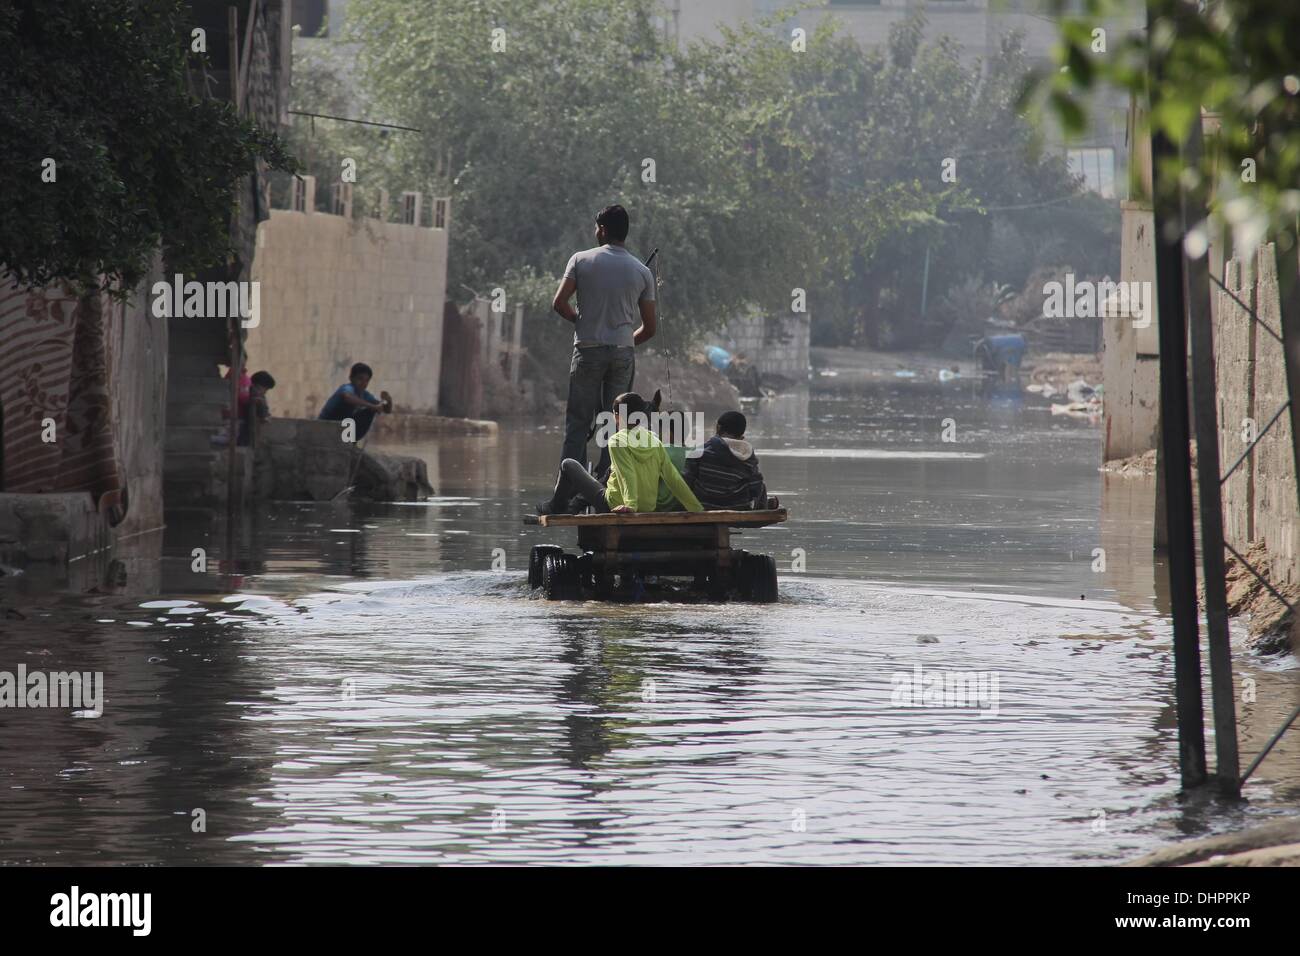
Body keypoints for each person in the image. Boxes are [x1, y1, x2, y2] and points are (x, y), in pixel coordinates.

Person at [541, 204, 656, 511]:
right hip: (622, 354)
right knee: (614, 426)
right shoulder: (642, 272)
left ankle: (565, 497)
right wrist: (624, 340)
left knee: (578, 424)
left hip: (588, 350)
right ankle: (606, 492)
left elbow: (559, 303)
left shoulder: (580, 260)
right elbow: (650, 328)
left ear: (602, 229)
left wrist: (581, 320)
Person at [543, 392, 702, 515]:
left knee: (568, 464)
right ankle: (571, 504)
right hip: (648, 505)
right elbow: (673, 477)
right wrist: (696, 508)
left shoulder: (617, 440)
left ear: (618, 416)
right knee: (606, 476)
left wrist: (631, 505)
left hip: (615, 503)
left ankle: (556, 507)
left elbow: (627, 473)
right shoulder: (655, 441)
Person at [685, 411, 779, 510]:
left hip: (703, 505)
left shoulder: (700, 451)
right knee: (759, 483)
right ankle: (763, 506)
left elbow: (687, 480)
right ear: (742, 436)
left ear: (718, 428)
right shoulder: (748, 456)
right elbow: (756, 487)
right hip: (738, 507)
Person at [319, 362, 392, 441]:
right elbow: (348, 397)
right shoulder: (347, 388)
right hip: (326, 426)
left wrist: (387, 401)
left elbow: (386, 410)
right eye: (360, 379)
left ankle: (350, 442)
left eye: (366, 380)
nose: (363, 384)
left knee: (370, 411)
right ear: (351, 378)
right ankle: (347, 442)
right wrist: (372, 406)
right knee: (370, 408)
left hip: (341, 429)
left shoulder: (364, 394)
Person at [238, 370, 276, 446]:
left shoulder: (257, 396)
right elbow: (263, 413)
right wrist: (265, 416)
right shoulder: (252, 394)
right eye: (265, 389)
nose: (265, 392)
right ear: (257, 386)